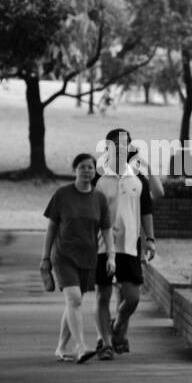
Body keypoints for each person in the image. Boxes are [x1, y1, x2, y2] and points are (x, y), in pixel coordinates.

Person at [92, 127, 160, 359]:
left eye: (125, 144)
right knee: (103, 295)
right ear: (108, 147)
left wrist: (150, 239)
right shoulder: (97, 178)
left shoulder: (137, 178)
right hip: (102, 247)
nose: (121, 148)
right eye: (116, 144)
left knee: (132, 298)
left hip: (130, 247)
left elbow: (147, 211)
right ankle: (107, 344)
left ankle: (117, 326)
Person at [41, 153, 115, 363]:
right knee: (74, 299)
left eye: (90, 167)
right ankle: (81, 346)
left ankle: (61, 348)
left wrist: (111, 257)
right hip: (63, 256)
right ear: (75, 170)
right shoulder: (62, 194)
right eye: (82, 167)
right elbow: (52, 227)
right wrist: (45, 257)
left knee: (73, 303)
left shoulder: (98, 198)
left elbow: (107, 230)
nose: (86, 171)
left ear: (95, 171)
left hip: (88, 257)